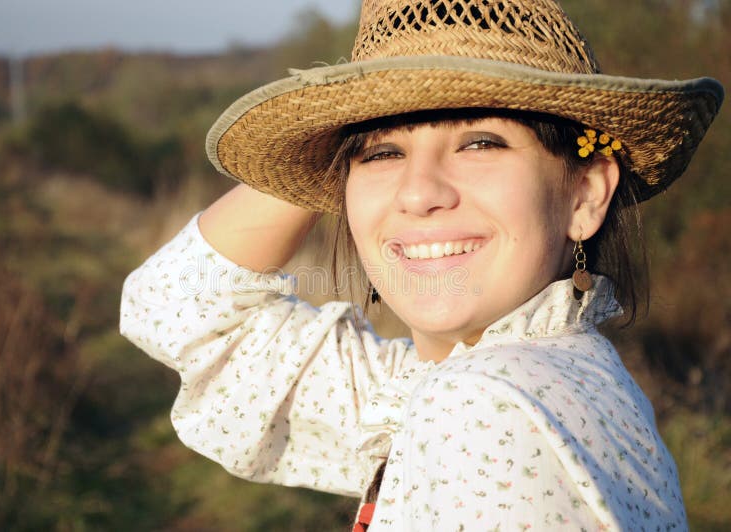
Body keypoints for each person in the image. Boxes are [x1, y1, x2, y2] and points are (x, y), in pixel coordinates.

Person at [120, 0, 723, 529]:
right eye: (381, 152)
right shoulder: (504, 376)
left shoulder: (483, 409)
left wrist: (354, 114)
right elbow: (175, 311)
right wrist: (323, 144)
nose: (418, 193)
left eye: (480, 143)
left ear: (586, 194)